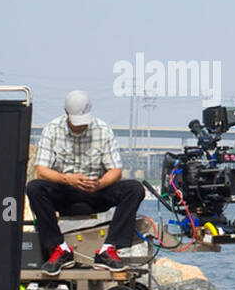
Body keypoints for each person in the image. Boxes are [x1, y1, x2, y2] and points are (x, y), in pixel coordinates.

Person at [26, 90, 146, 274]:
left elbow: (115, 170)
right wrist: (68, 179)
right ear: (66, 112)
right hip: (65, 192)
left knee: (134, 188)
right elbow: (41, 171)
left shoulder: (103, 130)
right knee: (34, 187)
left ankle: (109, 249)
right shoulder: (52, 129)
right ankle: (58, 248)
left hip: (95, 191)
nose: (80, 127)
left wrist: (100, 183)